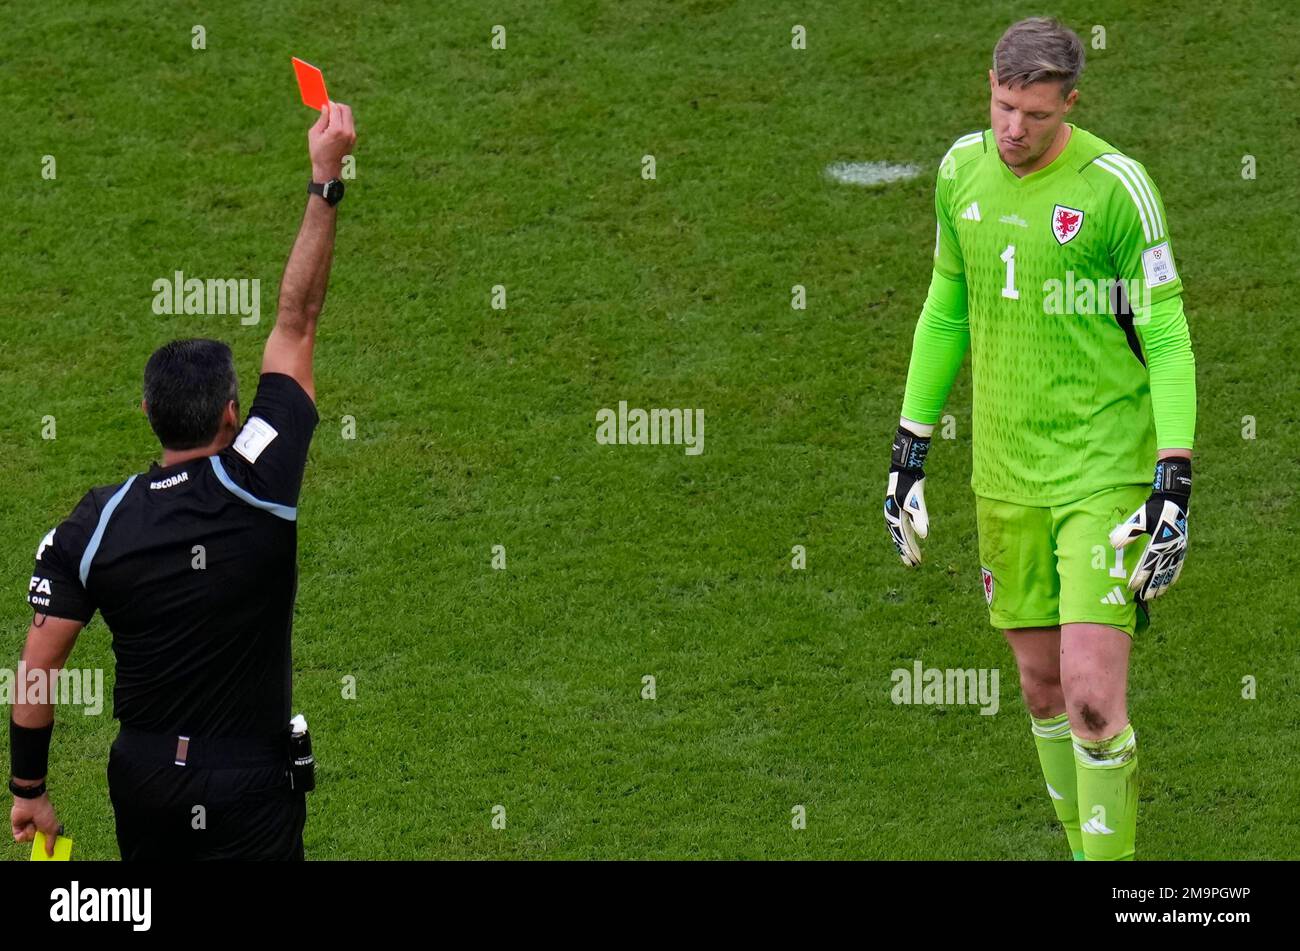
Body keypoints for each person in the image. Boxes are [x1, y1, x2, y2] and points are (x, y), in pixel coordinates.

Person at [10, 101, 356, 859]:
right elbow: (296, 322)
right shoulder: (261, 480)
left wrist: (29, 790)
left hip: (145, 779)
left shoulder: (94, 525)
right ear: (233, 412)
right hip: (249, 779)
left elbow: (36, 673)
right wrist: (324, 180)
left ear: (146, 412)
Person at [884, 17, 1195, 860]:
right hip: (1007, 472)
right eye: (1001, 106)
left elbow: (1165, 335)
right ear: (989, 84)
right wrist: (910, 451)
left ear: (1072, 105)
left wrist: (1174, 477)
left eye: (1035, 115)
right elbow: (947, 303)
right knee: (1042, 690)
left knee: (1095, 699)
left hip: (1103, 472)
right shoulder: (959, 172)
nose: (1013, 130)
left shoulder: (1115, 188)